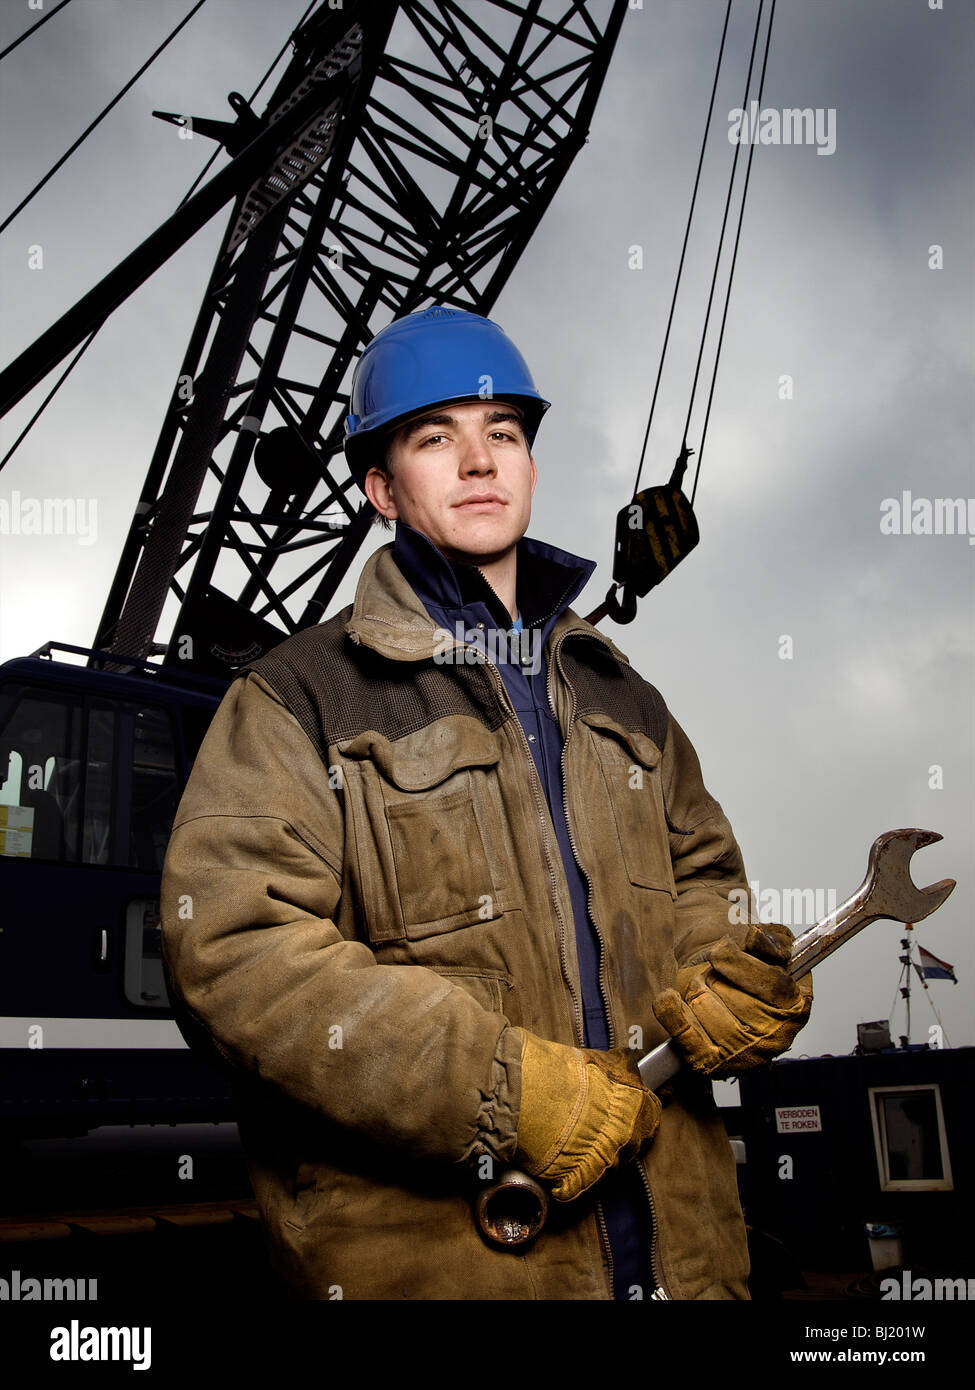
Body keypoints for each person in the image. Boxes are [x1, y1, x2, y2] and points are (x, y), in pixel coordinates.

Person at [160, 306, 811, 1301]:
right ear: (382, 487)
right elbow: (236, 953)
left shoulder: (625, 700)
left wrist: (725, 978)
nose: (479, 461)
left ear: (533, 468)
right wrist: (501, 1092)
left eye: (502, 433)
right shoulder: (298, 699)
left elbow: (702, 885)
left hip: (686, 1267)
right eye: (436, 438)